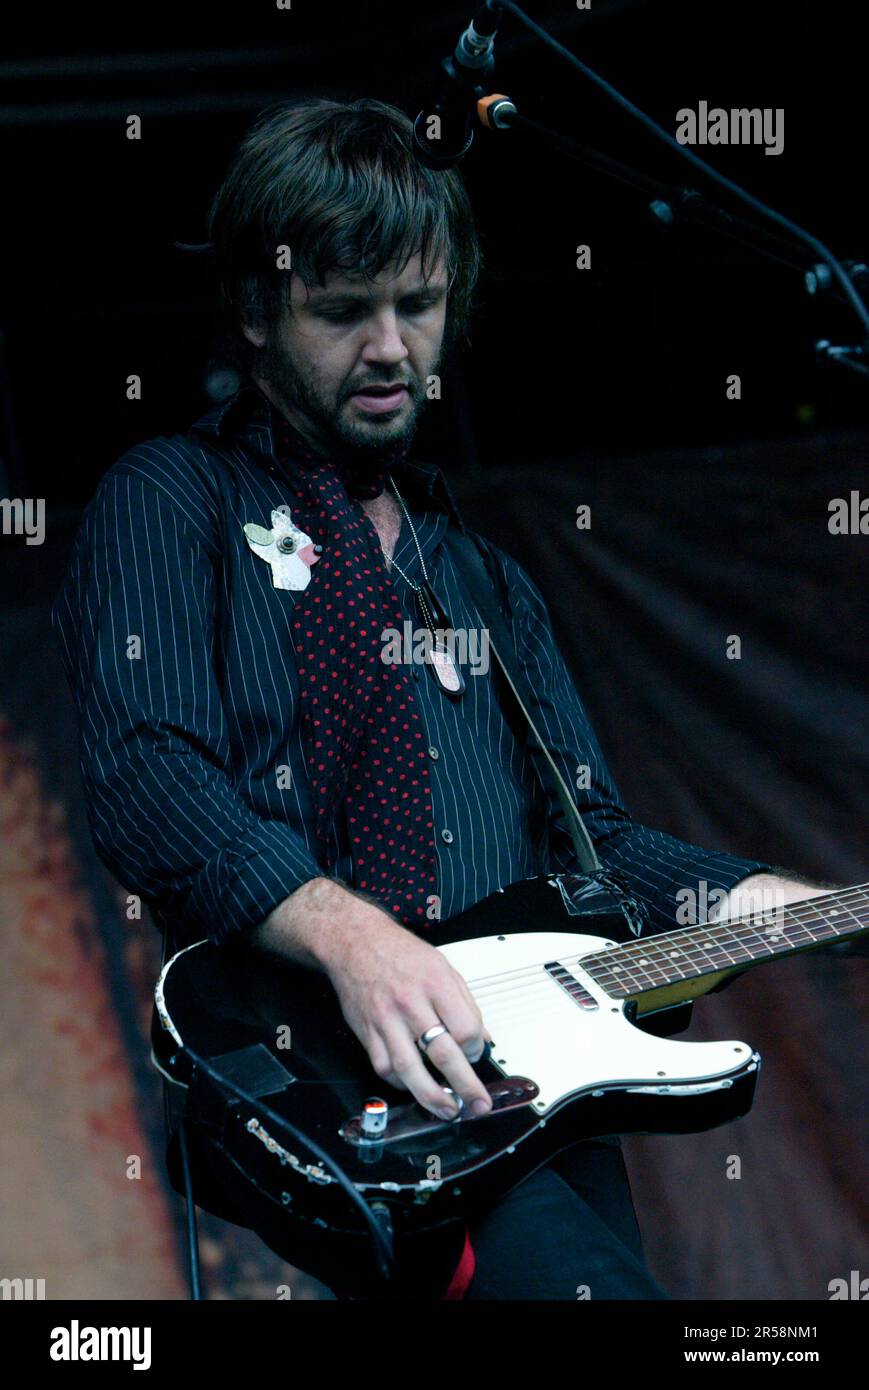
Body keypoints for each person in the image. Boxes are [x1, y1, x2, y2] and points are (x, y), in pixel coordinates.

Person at [52, 96, 829, 1301]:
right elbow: (147, 773)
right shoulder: (170, 499)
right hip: (308, 1065)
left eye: (415, 306)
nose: (388, 349)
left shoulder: (479, 572)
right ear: (257, 312)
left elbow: (593, 841)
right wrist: (350, 934)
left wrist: (750, 896)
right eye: (342, 310)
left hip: (516, 1070)